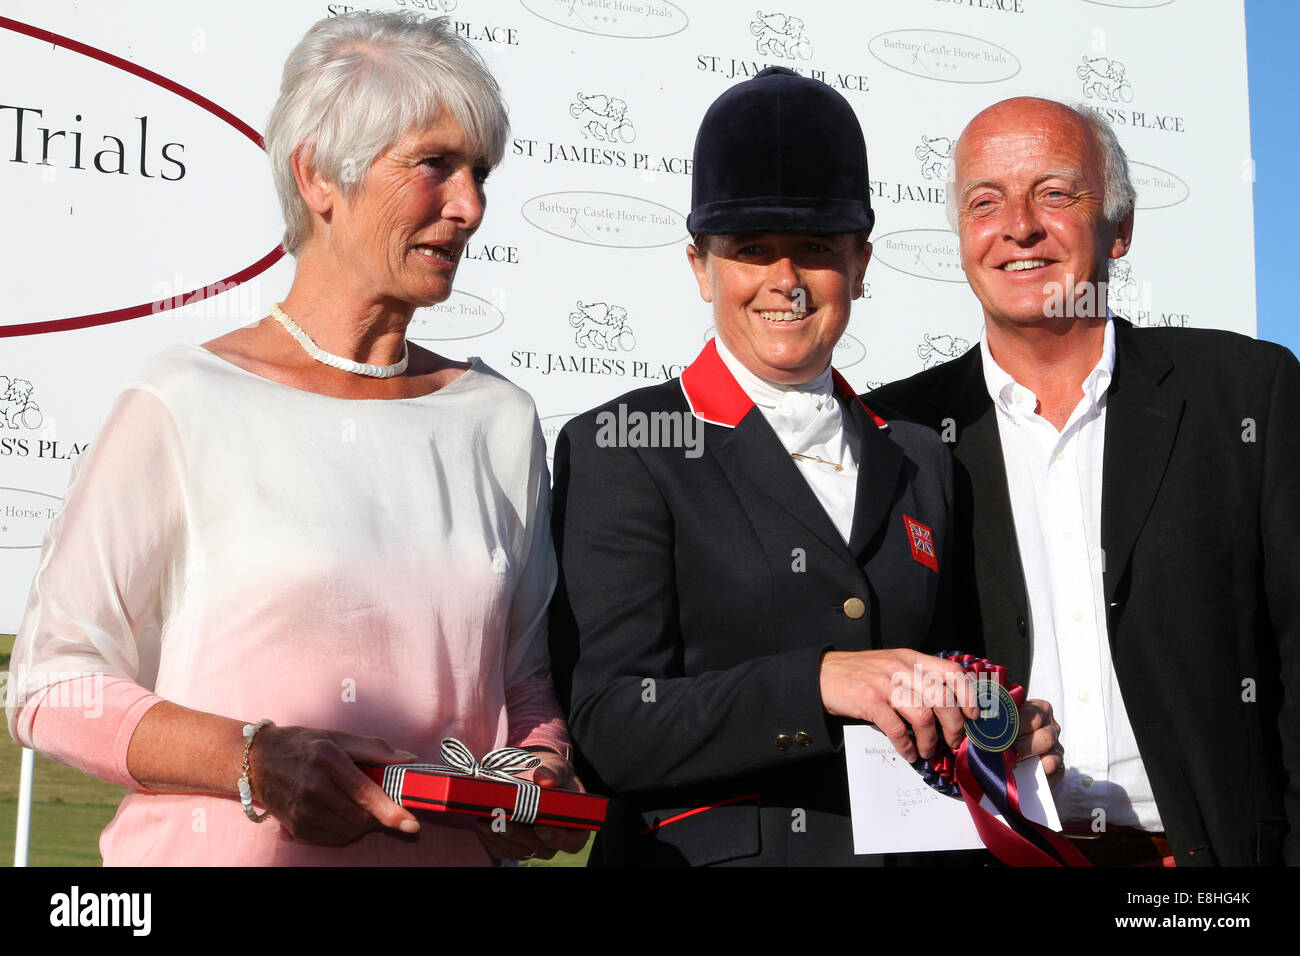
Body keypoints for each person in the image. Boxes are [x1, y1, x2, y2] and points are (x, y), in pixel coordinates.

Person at [6, 11, 585, 866]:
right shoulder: (184, 400)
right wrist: (254, 759)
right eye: (435, 165)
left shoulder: (497, 419)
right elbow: (54, 687)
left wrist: (537, 767)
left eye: (480, 173)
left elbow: (523, 680)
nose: (469, 208)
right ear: (319, 176)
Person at [548, 67, 1060, 866]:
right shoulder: (622, 444)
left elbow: (946, 666)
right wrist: (819, 682)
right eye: (753, 251)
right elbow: (609, 725)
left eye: (815, 250)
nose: (785, 283)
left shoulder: (922, 455)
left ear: (860, 263)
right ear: (700, 266)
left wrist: (996, 725)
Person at [871, 96, 1299, 866]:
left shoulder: (1246, 393)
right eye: (986, 201)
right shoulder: (895, 434)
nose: (1020, 226)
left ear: (1121, 228)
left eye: (1056, 193)